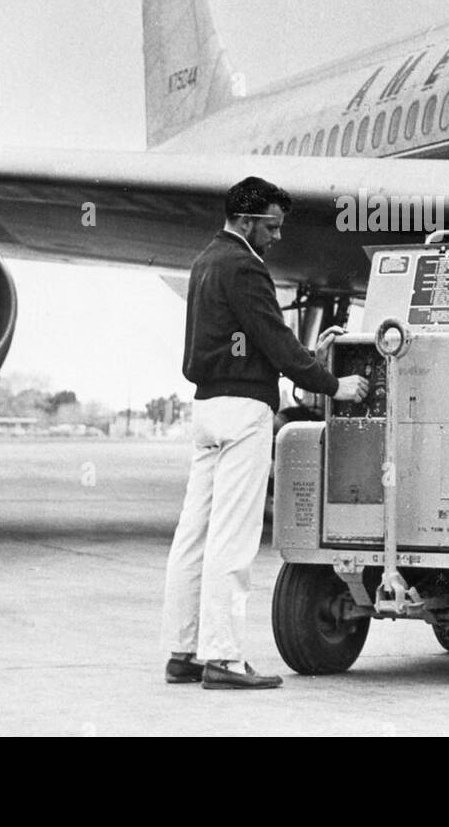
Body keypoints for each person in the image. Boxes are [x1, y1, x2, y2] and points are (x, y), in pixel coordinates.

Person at [160, 176, 368, 690]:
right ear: (248, 221)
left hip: (207, 408)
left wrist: (303, 358)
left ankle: (182, 651)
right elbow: (277, 344)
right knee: (234, 539)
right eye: (272, 227)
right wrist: (332, 384)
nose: (277, 237)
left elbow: (248, 341)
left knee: (194, 535)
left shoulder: (205, 261)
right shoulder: (246, 268)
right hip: (244, 411)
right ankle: (224, 659)